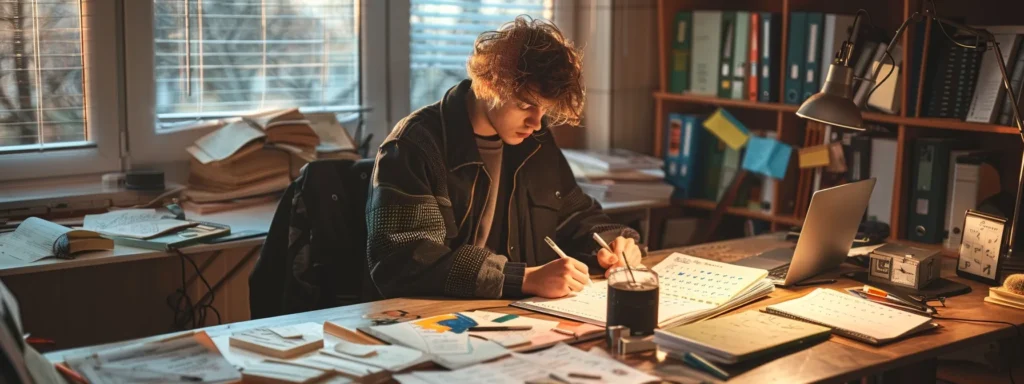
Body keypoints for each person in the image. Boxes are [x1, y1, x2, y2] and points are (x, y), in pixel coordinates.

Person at [366, 16, 643, 300]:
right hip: (436, 323)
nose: (536, 122)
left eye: (544, 110)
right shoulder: (415, 144)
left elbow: (574, 214)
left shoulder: (534, 140)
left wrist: (612, 245)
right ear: (489, 85)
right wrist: (523, 278)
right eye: (525, 106)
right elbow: (403, 260)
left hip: (517, 316)